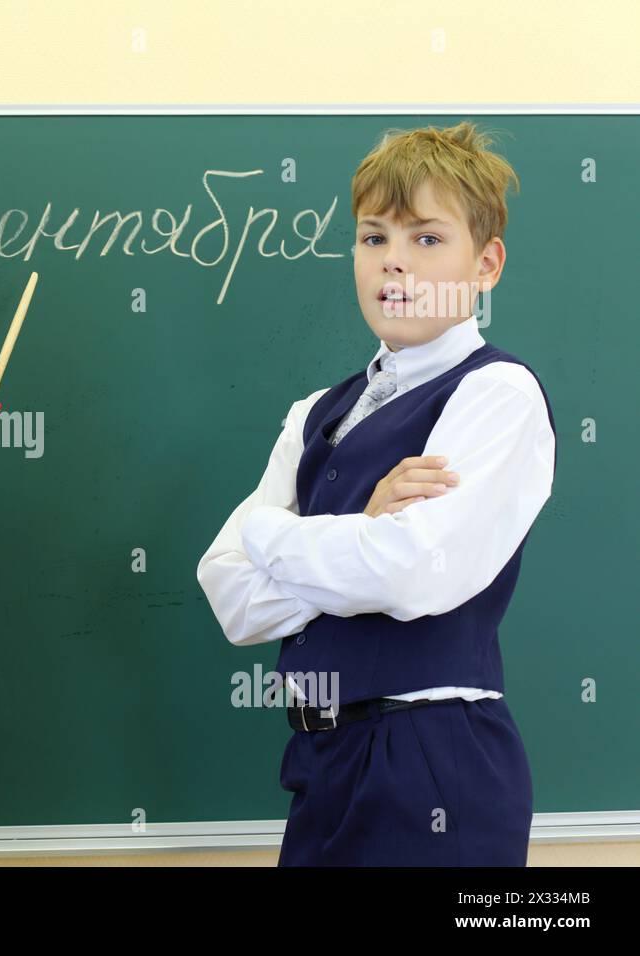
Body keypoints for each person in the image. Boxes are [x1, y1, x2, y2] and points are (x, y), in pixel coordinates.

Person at [198, 121, 556, 865]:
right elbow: (229, 594)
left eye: (427, 239)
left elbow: (407, 572)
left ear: (485, 263)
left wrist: (273, 534)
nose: (394, 263)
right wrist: (359, 524)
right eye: (372, 238)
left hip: (432, 764)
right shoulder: (316, 411)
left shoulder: (498, 393)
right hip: (320, 765)